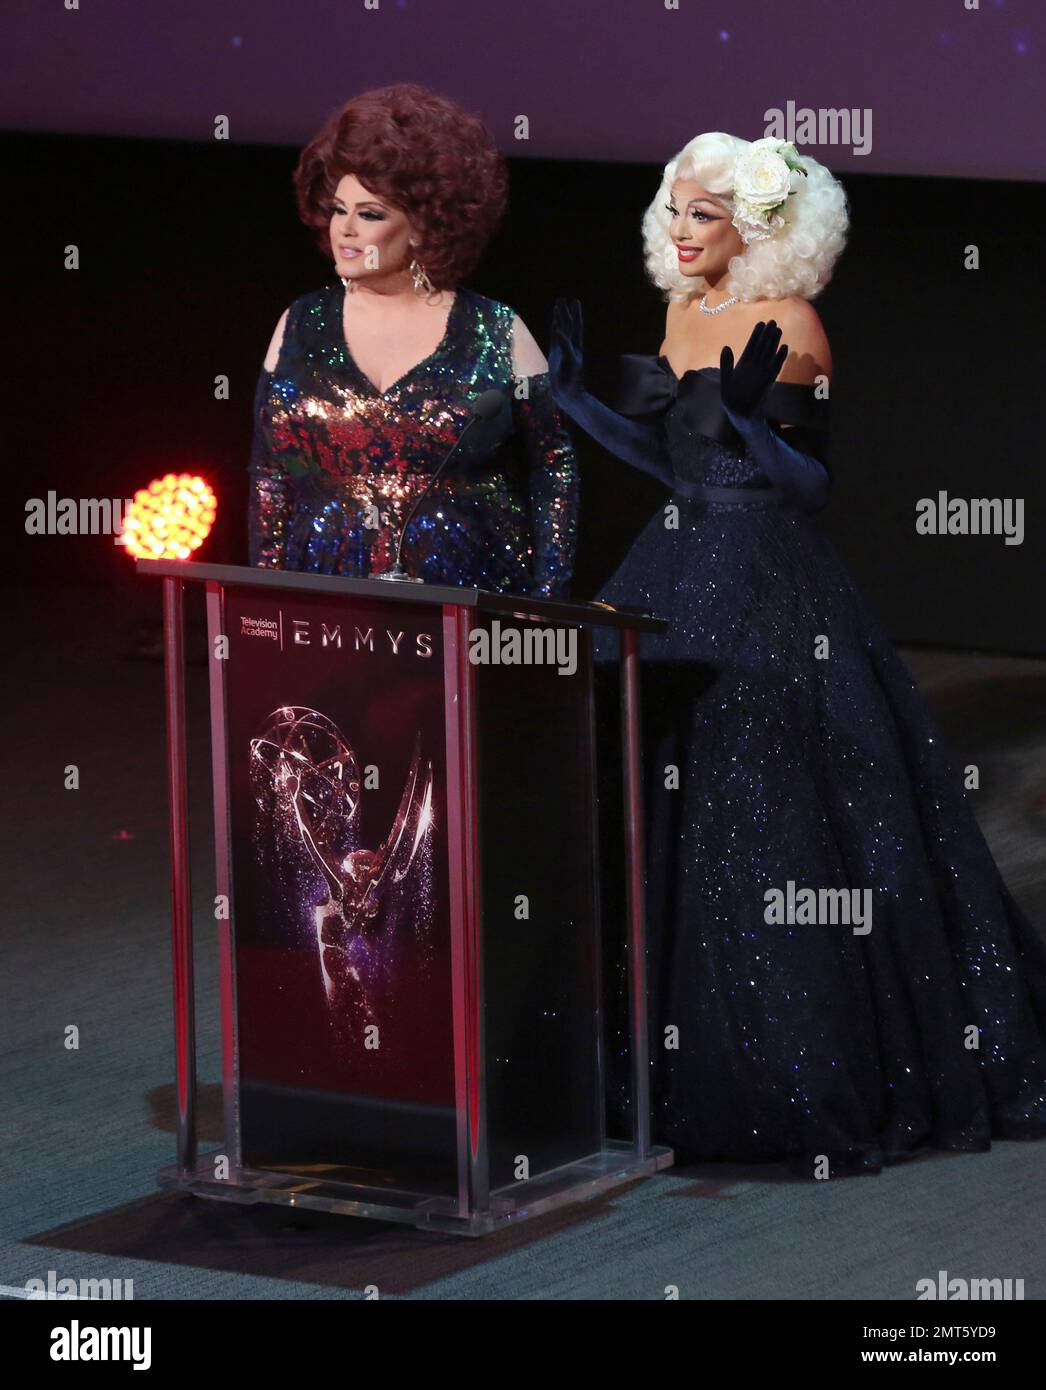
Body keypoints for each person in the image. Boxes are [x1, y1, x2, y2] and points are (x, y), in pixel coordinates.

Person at [549, 131, 1046, 1176]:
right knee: (645, 788)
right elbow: (677, 459)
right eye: (673, 211)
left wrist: (754, 424)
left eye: (704, 217)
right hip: (674, 557)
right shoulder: (687, 309)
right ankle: (634, 1065)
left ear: (757, 232)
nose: (680, 233)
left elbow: (805, 484)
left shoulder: (791, 323)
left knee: (756, 809)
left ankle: (785, 1074)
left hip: (765, 578)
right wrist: (585, 408)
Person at [248, 83, 577, 597]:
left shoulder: (496, 330)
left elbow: (552, 469)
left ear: (423, 225)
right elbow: (271, 476)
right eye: (339, 209)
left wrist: (547, 599)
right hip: (323, 600)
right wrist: (264, 606)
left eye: (370, 214)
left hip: (466, 602)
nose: (346, 230)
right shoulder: (299, 322)